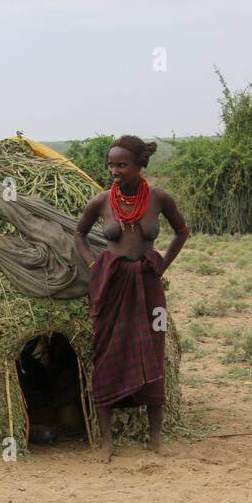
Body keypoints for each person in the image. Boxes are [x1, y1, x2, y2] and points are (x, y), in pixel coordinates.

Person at [74, 136, 190, 460]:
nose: (114, 171)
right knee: (108, 352)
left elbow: (182, 231)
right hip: (111, 288)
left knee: (153, 349)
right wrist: (95, 265)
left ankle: (155, 439)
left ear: (140, 166)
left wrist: (161, 264)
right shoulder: (100, 202)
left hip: (148, 286)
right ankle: (107, 442)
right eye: (111, 164)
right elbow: (79, 234)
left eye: (121, 165)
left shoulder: (158, 198)